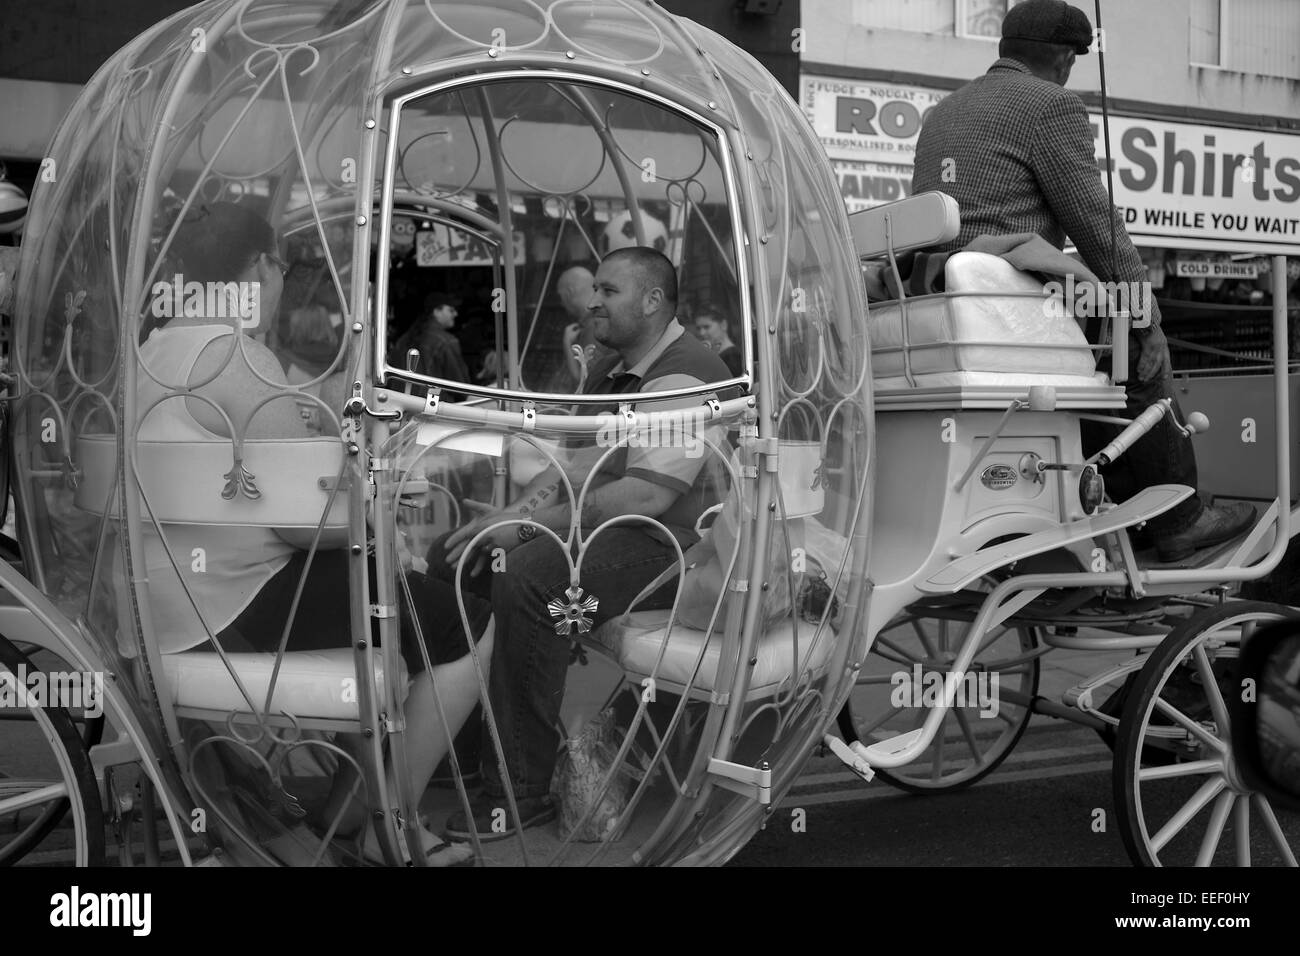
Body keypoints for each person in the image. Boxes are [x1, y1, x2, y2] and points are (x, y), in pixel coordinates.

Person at [140, 201, 493, 864]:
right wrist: (377, 510)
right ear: (259, 267)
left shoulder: (156, 349)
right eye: (279, 266)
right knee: (463, 623)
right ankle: (391, 827)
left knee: (390, 599)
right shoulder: (233, 358)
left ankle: (344, 819)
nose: (281, 283)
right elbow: (306, 527)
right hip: (230, 610)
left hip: (160, 601)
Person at [910, 0, 1255, 562]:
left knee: (1098, 338)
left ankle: (1104, 497)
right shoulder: (1051, 105)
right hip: (1005, 302)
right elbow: (1095, 225)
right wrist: (1148, 318)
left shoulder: (941, 114)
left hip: (937, 306)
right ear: (1066, 59)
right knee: (1131, 345)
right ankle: (1178, 519)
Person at [434, 247, 731, 840]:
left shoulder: (682, 373)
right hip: (625, 532)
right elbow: (571, 462)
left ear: (652, 301)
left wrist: (525, 530)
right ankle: (463, 754)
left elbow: (649, 496)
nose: (593, 300)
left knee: (530, 576)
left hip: (682, 548)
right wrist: (507, 519)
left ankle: (522, 786)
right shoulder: (613, 366)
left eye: (608, 290)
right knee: (460, 557)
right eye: (593, 287)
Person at [389, 291, 470, 384]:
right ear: (436, 312)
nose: (456, 314)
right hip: (433, 397)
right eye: (451, 310)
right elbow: (459, 385)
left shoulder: (404, 338)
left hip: (399, 396)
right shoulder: (446, 341)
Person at [693, 305, 743, 377]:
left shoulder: (734, 360)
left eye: (706, 327)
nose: (701, 333)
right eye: (698, 328)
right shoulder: (715, 357)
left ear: (723, 325)